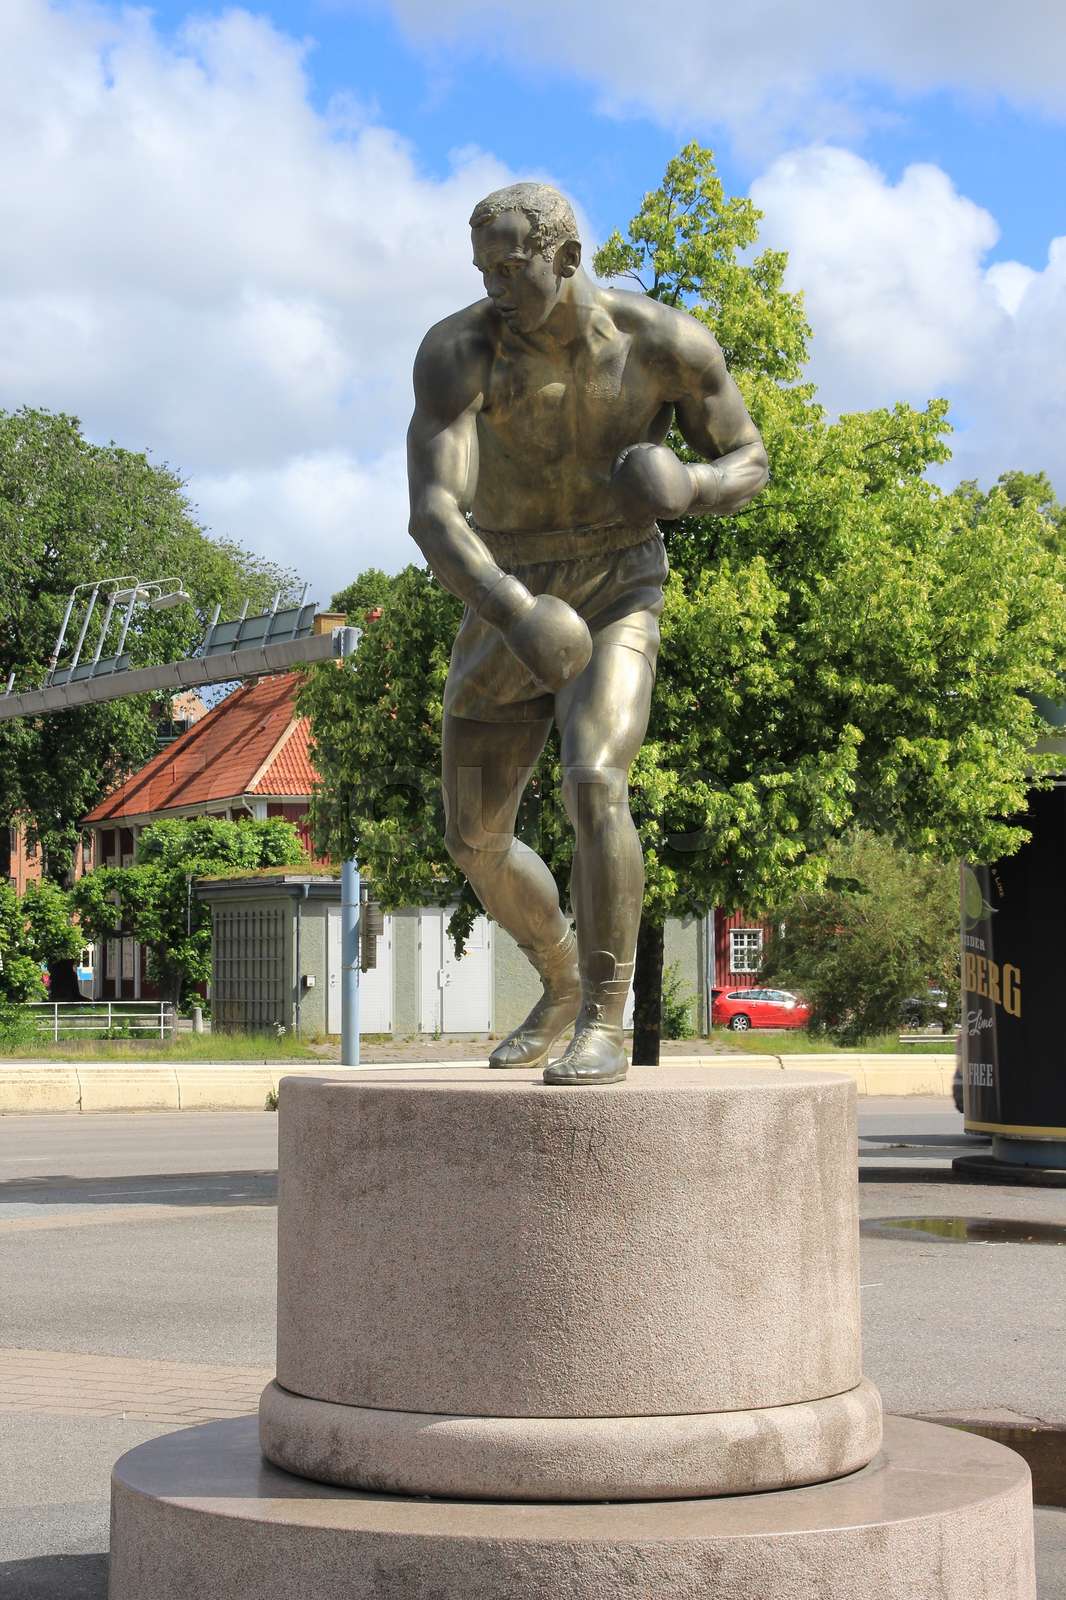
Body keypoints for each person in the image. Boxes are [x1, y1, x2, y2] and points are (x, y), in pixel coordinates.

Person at [407, 181, 768, 1084]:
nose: (494, 282)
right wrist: (517, 613)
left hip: (618, 579)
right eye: (483, 266)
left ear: (566, 257)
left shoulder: (663, 344)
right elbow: (435, 515)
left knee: (596, 777)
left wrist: (691, 487)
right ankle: (561, 977)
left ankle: (607, 1014)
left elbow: (749, 457)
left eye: (511, 264)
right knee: (474, 838)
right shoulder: (458, 352)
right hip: (508, 586)